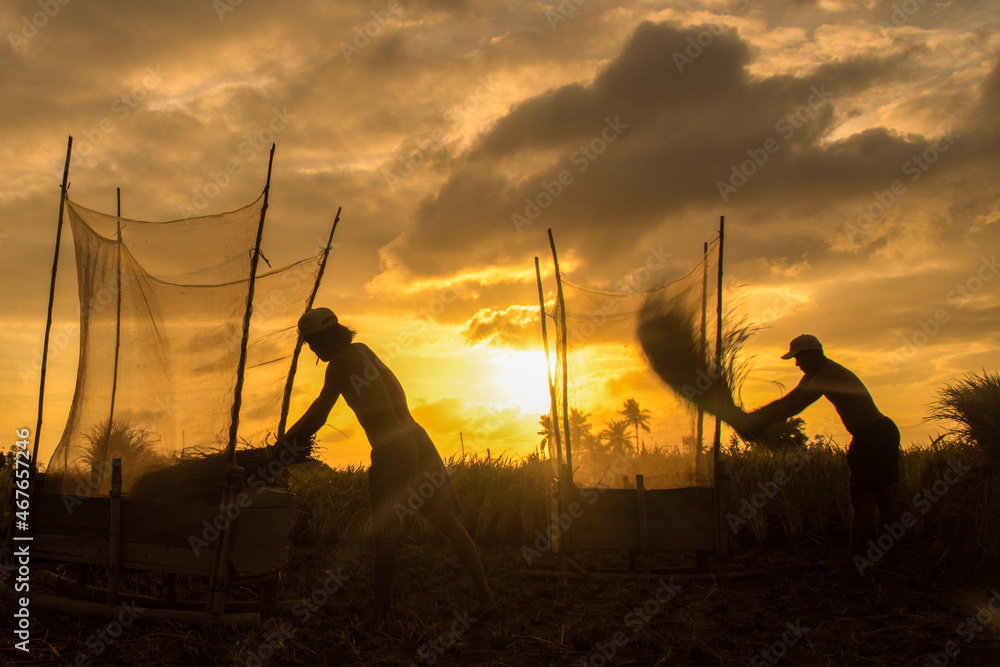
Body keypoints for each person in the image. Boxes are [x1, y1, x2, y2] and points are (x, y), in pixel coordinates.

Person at [281, 307, 498, 623]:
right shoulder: (363, 351)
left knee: (384, 535)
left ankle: (379, 617)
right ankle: (486, 599)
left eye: (312, 344)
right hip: (418, 439)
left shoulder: (339, 364)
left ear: (323, 340)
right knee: (449, 524)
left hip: (392, 448)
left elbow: (319, 413)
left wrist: (284, 443)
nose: (313, 351)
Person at [739, 334, 900, 575]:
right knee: (883, 498)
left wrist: (752, 420)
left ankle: (855, 563)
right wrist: (754, 417)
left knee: (863, 500)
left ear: (815, 354)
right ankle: (891, 558)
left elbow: (794, 407)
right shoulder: (814, 375)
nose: (797, 364)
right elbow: (789, 400)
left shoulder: (828, 374)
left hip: (873, 436)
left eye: (800, 358)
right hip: (878, 433)